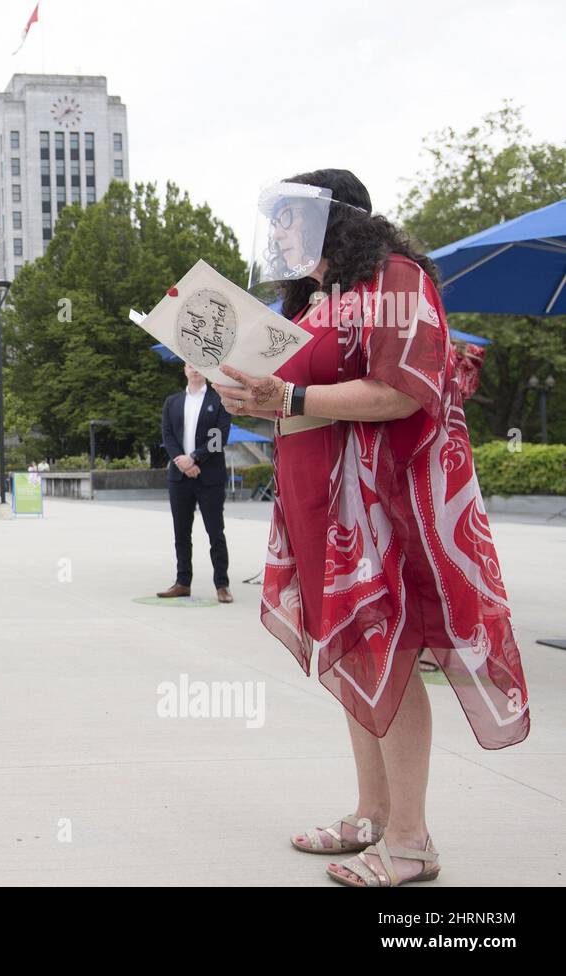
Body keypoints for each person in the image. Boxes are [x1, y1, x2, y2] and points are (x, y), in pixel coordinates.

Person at [217, 169, 530, 887]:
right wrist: (250, 395)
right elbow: (290, 401)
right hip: (314, 499)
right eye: (278, 222)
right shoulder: (310, 303)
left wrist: (288, 391)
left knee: (385, 649)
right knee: (357, 655)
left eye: (293, 218)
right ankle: (372, 815)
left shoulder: (395, 280)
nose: (281, 234)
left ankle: (412, 841)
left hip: (375, 504)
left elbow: (400, 392)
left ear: (339, 220)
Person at [157, 362, 232, 603]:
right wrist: (181, 461)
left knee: (215, 532)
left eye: (199, 365)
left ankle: (222, 584)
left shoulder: (218, 399)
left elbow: (220, 437)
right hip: (179, 477)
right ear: (184, 370)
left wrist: (194, 458)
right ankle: (182, 582)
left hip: (209, 476)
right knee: (181, 532)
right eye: (189, 365)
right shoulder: (173, 402)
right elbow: (168, 436)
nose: (194, 369)